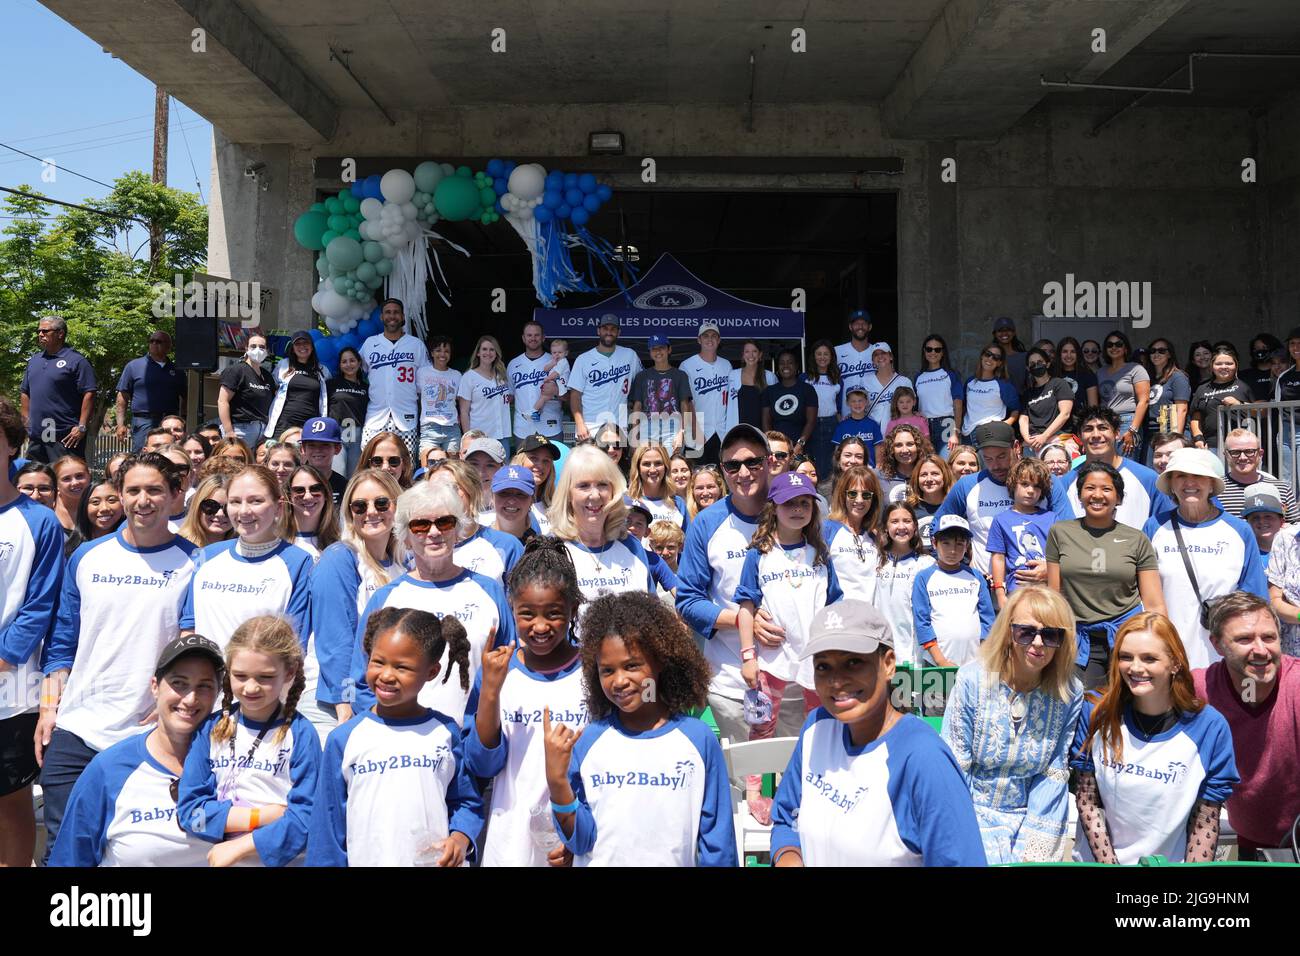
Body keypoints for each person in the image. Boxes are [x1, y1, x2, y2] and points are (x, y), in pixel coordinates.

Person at [35, 453, 196, 855]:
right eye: (134, 490)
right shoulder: (87, 557)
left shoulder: (195, 563)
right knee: (65, 851)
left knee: (137, 852)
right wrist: (50, 707)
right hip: (76, 729)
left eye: (155, 490)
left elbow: (192, 648)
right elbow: (61, 643)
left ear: (175, 494)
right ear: (120, 496)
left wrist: (169, 705)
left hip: (148, 736)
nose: (144, 500)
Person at [770, 600, 986, 866]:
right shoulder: (816, 727)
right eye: (823, 666)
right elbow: (786, 816)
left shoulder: (923, 759)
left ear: (888, 664)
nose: (837, 681)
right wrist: (788, 856)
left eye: (853, 662)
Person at [543, 591, 736, 867]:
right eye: (607, 671)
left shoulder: (698, 739)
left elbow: (718, 844)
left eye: (631, 665)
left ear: (660, 661)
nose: (619, 680)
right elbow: (581, 842)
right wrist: (558, 782)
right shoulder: (590, 741)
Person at [307, 607, 483, 867]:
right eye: (378, 662)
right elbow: (327, 832)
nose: (387, 675)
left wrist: (459, 839)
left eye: (402, 667)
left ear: (431, 672)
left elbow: (467, 802)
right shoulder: (343, 739)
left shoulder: (445, 733)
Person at [1071, 612, 1238, 864]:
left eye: (1149, 658)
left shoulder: (1209, 727)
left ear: (1175, 663)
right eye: (1125, 657)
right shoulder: (1096, 712)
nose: (1135, 668)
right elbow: (1088, 802)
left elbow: (1205, 821)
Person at [346, 481, 515, 727]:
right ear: (405, 537)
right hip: (407, 744)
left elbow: (511, 667)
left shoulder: (489, 591)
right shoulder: (385, 599)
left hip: (475, 742)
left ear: (458, 531)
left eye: (445, 522)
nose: (434, 532)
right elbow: (361, 681)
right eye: (421, 525)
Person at [47, 635, 223, 867]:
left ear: (218, 693)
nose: (190, 698)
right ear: (155, 687)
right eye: (179, 683)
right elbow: (69, 860)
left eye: (204, 686)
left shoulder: (232, 763)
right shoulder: (108, 770)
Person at [466, 538, 588, 867]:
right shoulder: (497, 669)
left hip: (574, 837)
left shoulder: (593, 672)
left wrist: (578, 833)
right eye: (527, 615)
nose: (540, 626)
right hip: (510, 842)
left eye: (553, 614)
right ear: (512, 609)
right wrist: (490, 691)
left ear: (573, 610)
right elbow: (481, 764)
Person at [941, 587, 1083, 864]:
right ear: (1008, 632)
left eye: (1051, 634)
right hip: (971, 813)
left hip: (1031, 818)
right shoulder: (972, 681)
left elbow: (1053, 773)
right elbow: (956, 767)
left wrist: (1030, 855)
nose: (1038, 643)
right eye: (1026, 632)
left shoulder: (1068, 692)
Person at [736, 472, 842, 826]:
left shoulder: (820, 554)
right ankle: (756, 792)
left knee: (820, 724)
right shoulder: (759, 554)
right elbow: (746, 608)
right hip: (770, 660)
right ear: (774, 508)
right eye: (789, 503)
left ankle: (818, 786)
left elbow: (834, 605)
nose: (798, 509)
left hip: (816, 660)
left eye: (805, 503)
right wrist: (748, 656)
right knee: (762, 724)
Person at [177, 616, 320, 866]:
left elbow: (306, 819)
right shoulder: (209, 730)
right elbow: (191, 814)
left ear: (289, 672)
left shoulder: (301, 734)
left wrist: (242, 846)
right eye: (240, 676)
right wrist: (261, 816)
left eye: (265, 677)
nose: (251, 688)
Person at [676, 424, 774, 744]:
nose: (743, 472)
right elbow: (688, 600)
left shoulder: (795, 512)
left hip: (795, 681)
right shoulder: (707, 523)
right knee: (747, 785)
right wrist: (743, 620)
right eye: (733, 465)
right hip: (732, 685)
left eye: (753, 462)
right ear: (723, 471)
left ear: (770, 462)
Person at [0, 397, 64, 867]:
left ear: (9, 447)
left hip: (9, 689)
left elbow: (38, 607)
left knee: (11, 801)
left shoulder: (37, 520)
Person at [1194, 593, 1300, 860]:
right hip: (1250, 839)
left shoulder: (1296, 685)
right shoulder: (1200, 688)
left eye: (1269, 637)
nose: (1261, 650)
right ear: (1216, 645)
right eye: (1244, 639)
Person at [1143, 448, 1268, 670]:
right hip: (1167, 654)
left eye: (1198, 476)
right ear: (1171, 484)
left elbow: (1256, 599)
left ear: (1211, 484)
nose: (1189, 483)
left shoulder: (1239, 531)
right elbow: (1142, 594)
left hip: (1223, 657)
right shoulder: (1154, 526)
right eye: (1181, 476)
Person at [1048, 462, 1165, 690]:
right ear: (1080, 495)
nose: (1097, 495)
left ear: (1119, 498)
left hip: (1127, 640)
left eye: (1107, 489)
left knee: (1128, 707)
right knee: (1086, 710)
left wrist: (1159, 646)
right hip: (1078, 642)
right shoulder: (1060, 532)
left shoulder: (1136, 539)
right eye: (1090, 488)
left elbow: (1154, 604)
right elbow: (1054, 596)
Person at [178, 465, 314, 651]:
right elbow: (189, 628)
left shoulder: (299, 561)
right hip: (207, 678)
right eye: (234, 502)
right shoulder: (206, 556)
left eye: (255, 501)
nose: (243, 511)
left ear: (278, 507)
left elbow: (294, 641)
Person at [310, 468, 402, 732]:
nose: (371, 512)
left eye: (381, 503)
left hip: (380, 695)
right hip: (336, 703)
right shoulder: (339, 557)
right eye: (359, 506)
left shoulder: (401, 562)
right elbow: (335, 638)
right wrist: (345, 701)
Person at [934, 421, 1067, 576]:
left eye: (1001, 456)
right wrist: (959, 563)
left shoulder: (1046, 481)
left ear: (1016, 447)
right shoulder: (967, 485)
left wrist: (1051, 567)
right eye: (988, 458)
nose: (995, 465)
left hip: (1038, 586)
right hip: (986, 589)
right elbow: (937, 526)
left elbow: (1068, 534)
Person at [549, 445, 653, 609]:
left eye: (603, 484)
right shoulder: (551, 551)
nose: (595, 495)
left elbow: (651, 611)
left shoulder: (632, 546)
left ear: (614, 490)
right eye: (583, 485)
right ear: (568, 494)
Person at [1055, 406, 1167, 529]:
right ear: (1080, 436)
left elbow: (1164, 527)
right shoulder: (1064, 484)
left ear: (1117, 433)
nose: (1096, 435)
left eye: (1103, 428)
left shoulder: (1148, 479)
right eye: (1088, 429)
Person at [914, 516, 995, 667]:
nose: (952, 550)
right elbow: (922, 623)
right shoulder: (923, 578)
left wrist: (983, 656)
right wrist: (941, 661)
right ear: (934, 543)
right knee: (939, 692)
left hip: (975, 662)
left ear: (967, 546)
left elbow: (988, 620)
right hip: (936, 663)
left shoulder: (976, 577)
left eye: (959, 544)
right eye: (946, 543)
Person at [430, 459, 523, 582]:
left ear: (471, 491)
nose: (442, 495)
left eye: (451, 487)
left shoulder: (506, 546)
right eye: (432, 489)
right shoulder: (418, 548)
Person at [357, 298, 430, 454]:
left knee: (405, 467)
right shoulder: (370, 343)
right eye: (388, 312)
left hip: (406, 415)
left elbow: (427, 382)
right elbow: (354, 372)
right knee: (371, 464)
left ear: (403, 316)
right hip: (375, 416)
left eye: (396, 312)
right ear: (381, 317)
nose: (392, 316)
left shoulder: (416, 345)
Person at [20, 314, 96, 464]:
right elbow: (25, 392)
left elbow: (89, 393)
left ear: (60, 334)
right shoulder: (34, 361)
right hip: (37, 437)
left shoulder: (77, 361)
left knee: (66, 480)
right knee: (36, 479)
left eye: (45, 331)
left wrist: (81, 426)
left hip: (66, 437)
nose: (40, 334)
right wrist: (26, 422)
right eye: (39, 331)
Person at [987, 458, 1055, 609]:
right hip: (1016, 592)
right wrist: (1000, 593)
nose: (1030, 491)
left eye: (1036, 487)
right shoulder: (1000, 520)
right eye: (1024, 484)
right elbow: (998, 558)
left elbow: (1062, 554)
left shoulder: (1052, 518)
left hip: (1047, 593)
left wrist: (1049, 568)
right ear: (1013, 484)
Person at [873, 502, 935, 668]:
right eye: (894, 522)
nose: (901, 526)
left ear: (915, 526)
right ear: (885, 527)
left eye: (907, 521)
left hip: (915, 650)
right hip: (883, 646)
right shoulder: (876, 560)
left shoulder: (927, 563)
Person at [568, 314, 642, 443]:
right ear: (599, 331)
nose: (609, 332)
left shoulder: (630, 355)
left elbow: (641, 385)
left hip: (619, 425)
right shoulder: (583, 359)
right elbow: (575, 395)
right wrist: (580, 424)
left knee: (616, 463)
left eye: (613, 329)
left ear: (619, 332)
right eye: (605, 328)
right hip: (590, 426)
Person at [114, 330, 187, 452]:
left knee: (170, 454)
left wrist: (183, 419)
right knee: (143, 456)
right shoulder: (134, 366)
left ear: (168, 346)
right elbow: (122, 396)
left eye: (158, 341)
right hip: (143, 421)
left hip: (169, 421)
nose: (154, 343)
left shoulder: (177, 370)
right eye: (151, 341)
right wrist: (120, 424)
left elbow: (185, 397)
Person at [824, 465, 882, 602]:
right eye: (853, 493)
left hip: (870, 618)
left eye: (866, 494)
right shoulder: (827, 530)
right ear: (843, 495)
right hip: (838, 617)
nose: (859, 500)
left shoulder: (875, 536)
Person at [1218, 427, 1299, 522]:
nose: (1243, 457)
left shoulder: (1282, 489)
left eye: (1249, 452)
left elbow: (1295, 527)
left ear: (1260, 454)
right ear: (1226, 455)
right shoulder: (1215, 490)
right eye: (1235, 452)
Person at [680, 321, 732, 467]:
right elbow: (686, 402)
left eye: (714, 336)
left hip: (721, 432)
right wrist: (695, 429)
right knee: (695, 475)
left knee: (719, 477)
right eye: (706, 336)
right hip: (695, 432)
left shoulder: (726, 365)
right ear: (699, 339)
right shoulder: (687, 365)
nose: (710, 339)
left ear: (719, 340)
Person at [629, 335, 693, 453]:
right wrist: (634, 434)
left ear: (669, 349)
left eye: (661, 348)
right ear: (650, 352)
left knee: (671, 466)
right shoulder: (641, 376)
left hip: (672, 427)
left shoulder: (680, 375)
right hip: (647, 426)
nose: (658, 351)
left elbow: (685, 407)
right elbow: (637, 407)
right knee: (648, 464)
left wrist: (682, 433)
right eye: (654, 348)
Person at [265, 331, 330, 440]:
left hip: (310, 423)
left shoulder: (322, 370)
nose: (302, 346)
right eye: (298, 344)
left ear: (312, 347)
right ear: (293, 348)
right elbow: (271, 386)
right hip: (284, 421)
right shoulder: (283, 365)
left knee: (305, 455)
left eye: (306, 343)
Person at [1096, 330, 1150, 460]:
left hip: (1127, 422)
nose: (1114, 347)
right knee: (1107, 466)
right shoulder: (1100, 372)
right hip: (1105, 422)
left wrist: (1132, 430)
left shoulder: (1136, 369)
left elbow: (1144, 401)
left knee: (1127, 466)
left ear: (1125, 348)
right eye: (1110, 345)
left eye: (1118, 344)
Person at [507, 322, 565, 445]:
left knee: (554, 463)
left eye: (537, 335)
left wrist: (555, 391)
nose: (533, 338)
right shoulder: (513, 364)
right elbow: (510, 397)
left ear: (543, 337)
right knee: (523, 464)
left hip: (551, 426)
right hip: (523, 428)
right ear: (523, 338)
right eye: (529, 335)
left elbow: (569, 397)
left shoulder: (556, 361)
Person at [217, 333, 276, 449]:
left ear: (267, 351)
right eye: (253, 346)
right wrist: (229, 432)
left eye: (262, 347)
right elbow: (222, 401)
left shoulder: (267, 376)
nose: (257, 350)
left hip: (262, 432)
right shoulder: (236, 370)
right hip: (240, 430)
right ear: (246, 349)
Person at [1190, 346, 1254, 450]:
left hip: (1240, 446)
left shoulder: (1244, 386)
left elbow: (1262, 411)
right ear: (1212, 366)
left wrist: (1239, 405)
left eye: (1229, 363)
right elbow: (1196, 418)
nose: (1224, 367)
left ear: (1236, 365)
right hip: (1211, 445)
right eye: (1218, 364)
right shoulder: (1202, 389)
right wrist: (1198, 438)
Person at [413, 334, 462, 467]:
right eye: (438, 350)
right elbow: (416, 397)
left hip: (452, 428)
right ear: (432, 353)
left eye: (446, 351)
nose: (443, 354)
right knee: (426, 470)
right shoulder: (422, 373)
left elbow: (459, 402)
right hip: (429, 428)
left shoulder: (457, 375)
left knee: (453, 470)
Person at [458, 334, 513, 448]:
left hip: (503, 436)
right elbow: (464, 412)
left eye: (492, 349)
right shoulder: (469, 377)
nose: (488, 353)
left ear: (496, 353)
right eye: (484, 349)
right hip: (479, 438)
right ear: (478, 353)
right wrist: (468, 439)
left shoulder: (502, 375)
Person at [1141, 337, 1191, 463]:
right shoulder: (1147, 378)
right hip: (1150, 433)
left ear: (1169, 354)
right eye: (1152, 351)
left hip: (1169, 430)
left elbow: (1182, 409)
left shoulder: (1178, 376)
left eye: (1161, 351)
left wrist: (1176, 438)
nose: (1156, 354)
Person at [914, 334, 964, 457]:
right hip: (924, 426)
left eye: (937, 349)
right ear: (924, 351)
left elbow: (958, 404)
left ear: (943, 353)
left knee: (946, 463)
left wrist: (956, 432)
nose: (933, 352)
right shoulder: (918, 377)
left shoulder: (951, 374)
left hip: (946, 423)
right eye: (929, 349)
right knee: (927, 463)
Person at [1019, 348, 1074, 455]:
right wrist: (1028, 439)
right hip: (1033, 444)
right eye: (1032, 364)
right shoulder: (1027, 393)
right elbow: (1023, 419)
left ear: (1047, 364)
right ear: (1028, 368)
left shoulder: (1059, 384)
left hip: (1057, 440)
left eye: (1040, 362)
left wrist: (1045, 436)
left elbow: (1065, 414)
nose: (1036, 365)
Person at [962, 343, 1019, 444]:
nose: (990, 359)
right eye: (988, 354)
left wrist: (1003, 426)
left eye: (996, 357)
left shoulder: (1003, 385)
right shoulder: (970, 381)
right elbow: (964, 407)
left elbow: (1016, 410)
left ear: (999, 363)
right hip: (967, 434)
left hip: (990, 434)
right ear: (982, 356)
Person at [802, 338, 841, 482]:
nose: (822, 357)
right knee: (811, 459)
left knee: (829, 462)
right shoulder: (805, 377)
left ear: (831, 357)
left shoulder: (836, 378)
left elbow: (839, 407)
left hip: (831, 423)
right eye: (819, 354)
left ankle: (826, 494)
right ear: (813, 356)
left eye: (826, 354)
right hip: (810, 424)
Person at [327, 346, 369, 476]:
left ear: (359, 362)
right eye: (344, 362)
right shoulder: (331, 384)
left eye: (352, 360)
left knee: (354, 475)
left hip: (358, 434)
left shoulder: (366, 387)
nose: (348, 364)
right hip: (337, 433)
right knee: (338, 472)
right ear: (339, 365)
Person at [627, 441, 688, 528]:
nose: (652, 470)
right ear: (638, 468)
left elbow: (687, 540)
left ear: (666, 466)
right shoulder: (626, 501)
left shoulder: (678, 503)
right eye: (646, 464)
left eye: (658, 463)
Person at [287, 464, 341, 559]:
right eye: (299, 490)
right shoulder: (275, 541)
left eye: (315, 488)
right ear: (289, 496)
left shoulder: (340, 545)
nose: (308, 496)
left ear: (326, 494)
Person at [834, 308, 880, 415]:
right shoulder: (837, 351)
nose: (860, 326)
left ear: (870, 327)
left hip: (874, 411)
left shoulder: (878, 352)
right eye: (856, 323)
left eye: (864, 323)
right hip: (845, 412)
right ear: (850, 327)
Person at [62, 480, 124, 559]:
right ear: (84, 507)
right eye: (95, 502)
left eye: (111, 500)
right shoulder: (69, 551)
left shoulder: (135, 545)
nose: (104, 508)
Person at [726, 339, 777, 433]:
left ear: (760, 354)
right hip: (738, 433)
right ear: (743, 355)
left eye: (754, 351)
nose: (751, 355)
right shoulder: (733, 375)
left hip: (763, 433)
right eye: (747, 352)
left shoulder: (770, 376)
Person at [860, 343, 911, 436]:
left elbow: (911, 407)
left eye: (883, 353)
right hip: (871, 431)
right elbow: (859, 405)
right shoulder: (865, 381)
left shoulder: (904, 381)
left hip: (897, 431)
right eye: (876, 355)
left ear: (890, 356)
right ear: (873, 361)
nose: (880, 356)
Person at [874, 424, 931, 503]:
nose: (905, 450)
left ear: (918, 447)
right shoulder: (878, 476)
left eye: (910, 444)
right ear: (891, 449)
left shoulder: (929, 477)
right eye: (898, 445)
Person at [299, 416, 349, 506]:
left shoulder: (345, 487)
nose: (318, 450)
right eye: (312, 445)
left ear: (337, 448)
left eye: (325, 445)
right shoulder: (293, 482)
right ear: (303, 449)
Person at [905, 453, 952, 547]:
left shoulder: (955, 507)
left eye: (935, 474)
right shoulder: (908, 509)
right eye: (924, 475)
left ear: (944, 476)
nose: (929, 479)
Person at [831, 388, 884, 465]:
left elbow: (878, 449)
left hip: (868, 470)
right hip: (848, 469)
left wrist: (878, 468)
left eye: (860, 400)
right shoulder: (842, 426)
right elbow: (837, 451)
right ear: (847, 403)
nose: (857, 404)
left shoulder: (873, 425)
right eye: (853, 401)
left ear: (866, 402)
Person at [179, 474, 233, 549]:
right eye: (211, 505)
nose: (220, 514)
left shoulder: (245, 549)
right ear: (197, 507)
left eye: (228, 508)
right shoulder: (178, 547)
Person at [490, 465, 538, 544]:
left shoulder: (539, 548)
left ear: (532, 499)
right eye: (504, 493)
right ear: (492, 496)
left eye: (520, 494)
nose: (511, 501)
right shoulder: (478, 542)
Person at [1052, 337, 1100, 413]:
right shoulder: (1052, 374)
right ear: (1059, 354)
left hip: (1079, 422)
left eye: (1073, 352)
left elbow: (1093, 408)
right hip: (1055, 422)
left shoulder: (1087, 375)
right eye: (1065, 351)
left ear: (1078, 354)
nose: (1069, 355)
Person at [50, 455, 90, 537]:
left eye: (79, 476)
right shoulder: (48, 508)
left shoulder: (100, 506)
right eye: (66, 479)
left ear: (89, 477)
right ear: (56, 484)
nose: (75, 483)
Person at [1241, 332, 1284, 402]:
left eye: (1265, 348)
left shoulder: (1281, 372)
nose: (1260, 351)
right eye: (1257, 348)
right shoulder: (1244, 376)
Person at [992, 316, 1029, 389]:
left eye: (1008, 330)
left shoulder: (1024, 357)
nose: (1004, 333)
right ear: (994, 334)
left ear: (1014, 332)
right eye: (1000, 330)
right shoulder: (990, 357)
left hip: (1020, 399)